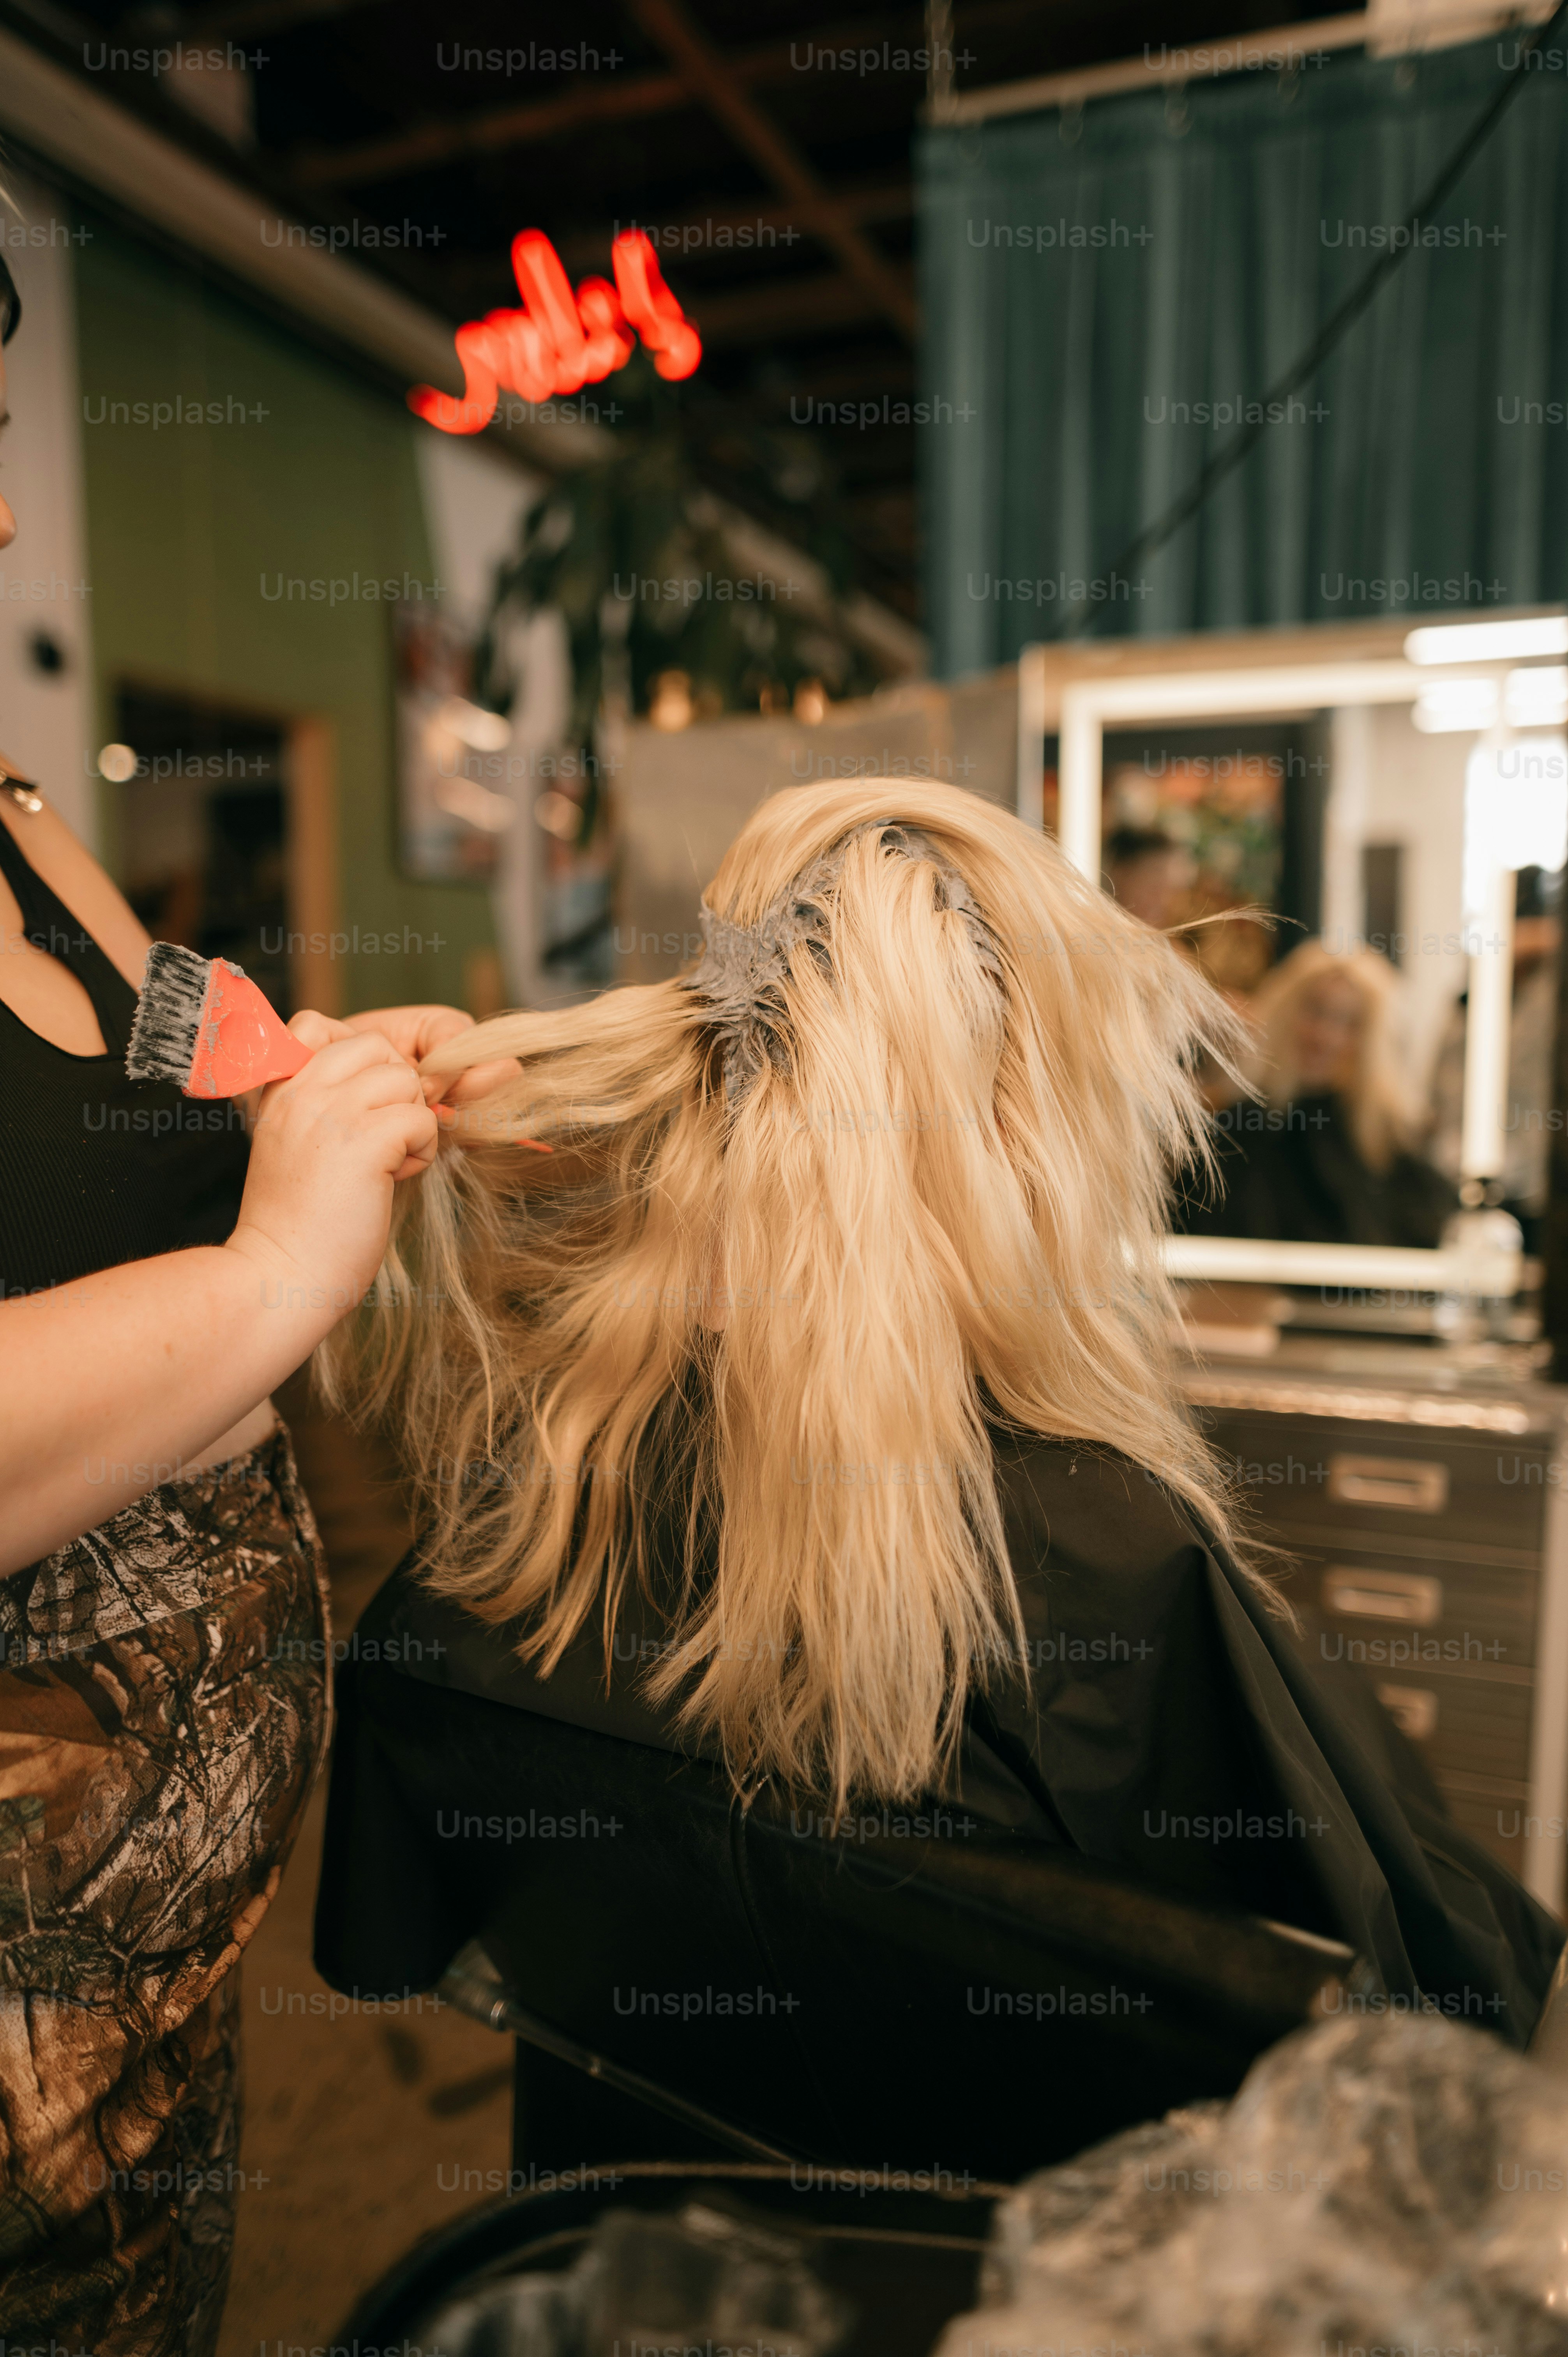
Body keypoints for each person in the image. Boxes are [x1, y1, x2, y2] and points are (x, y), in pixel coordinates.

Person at [313, 782, 1560, 2058]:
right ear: (1030, 1123)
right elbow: (1428, 2008)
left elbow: (412, 1904)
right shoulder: (1113, 1551)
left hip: (651, 2177)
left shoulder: (549, 1485)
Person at [0, 239, 508, 2350]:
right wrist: (284, 1264)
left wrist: (451, 1063)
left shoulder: (28, 834)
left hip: (166, 1983)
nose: (11, 515)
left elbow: (207, 1043)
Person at [1177, 939, 1457, 1247]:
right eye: (1316, 1011)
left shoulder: (1393, 1145)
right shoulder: (1236, 1130)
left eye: (1347, 1022)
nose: (1325, 1037)